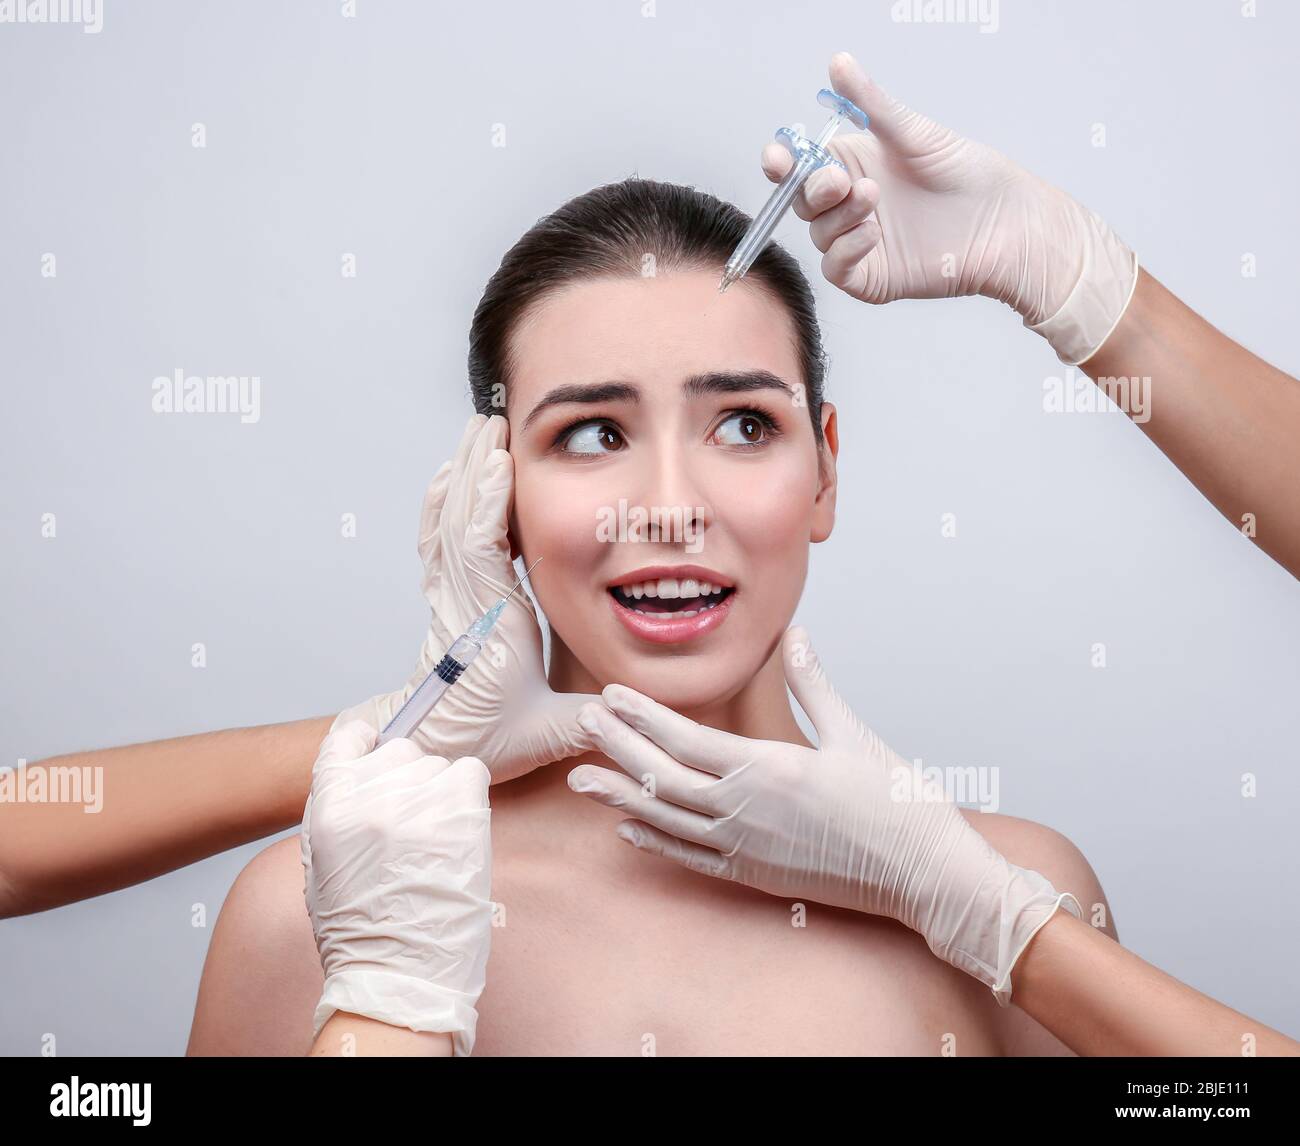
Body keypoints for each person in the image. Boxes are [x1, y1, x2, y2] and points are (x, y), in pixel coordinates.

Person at [187, 180, 1113, 1056]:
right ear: (493, 496)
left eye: (744, 424)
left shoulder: (1016, 900)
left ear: (825, 473)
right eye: (593, 435)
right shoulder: (320, 914)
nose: (669, 508)